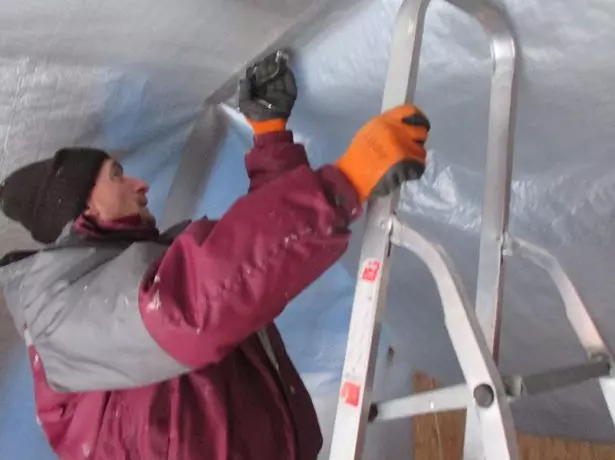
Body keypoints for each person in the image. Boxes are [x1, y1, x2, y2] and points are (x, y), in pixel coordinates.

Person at [0, 52, 430, 460]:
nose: (140, 184)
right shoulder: (57, 311)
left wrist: (270, 139)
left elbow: (243, 262)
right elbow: (195, 301)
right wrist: (346, 181)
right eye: (117, 176)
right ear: (83, 210)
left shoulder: (132, 276)